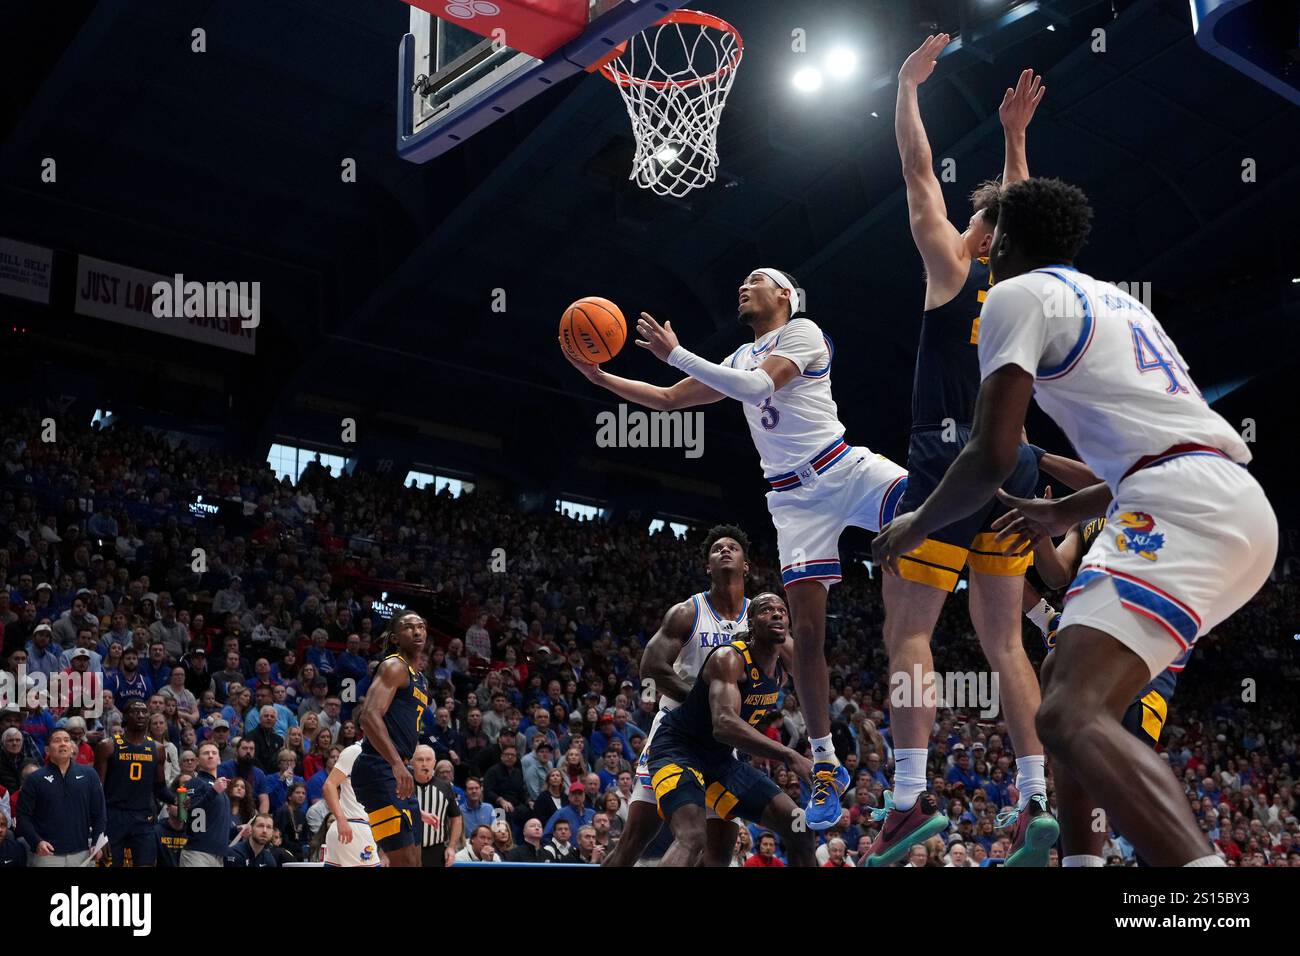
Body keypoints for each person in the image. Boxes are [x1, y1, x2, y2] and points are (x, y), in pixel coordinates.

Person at [873, 177, 1278, 867]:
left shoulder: (1011, 295)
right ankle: (1081, 861)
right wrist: (1063, 509)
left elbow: (991, 455)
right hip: (1219, 498)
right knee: (1060, 677)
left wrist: (914, 525)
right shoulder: (1114, 299)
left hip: (1179, 505)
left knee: (1067, 715)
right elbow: (1149, 443)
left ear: (999, 242)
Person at [565, 263, 913, 830]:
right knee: (805, 636)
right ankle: (825, 765)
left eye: (755, 279)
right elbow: (670, 399)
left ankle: (1037, 606)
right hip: (793, 503)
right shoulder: (736, 358)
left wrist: (678, 352)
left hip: (844, 468)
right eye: (741, 282)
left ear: (784, 294)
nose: (742, 286)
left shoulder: (803, 332)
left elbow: (756, 388)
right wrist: (601, 378)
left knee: (936, 515)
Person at [864, 35, 1054, 867]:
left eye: (975, 215)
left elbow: (915, 169)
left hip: (948, 468)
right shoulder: (1028, 288)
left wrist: (907, 88)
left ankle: (908, 800)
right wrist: (1014, 141)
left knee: (909, 634)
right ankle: (1035, 799)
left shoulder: (950, 263)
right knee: (1006, 643)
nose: (968, 217)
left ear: (978, 230)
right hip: (1012, 471)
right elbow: (1023, 207)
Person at [1020, 478, 1180, 868]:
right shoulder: (1086, 515)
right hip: (1084, 646)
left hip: (1140, 649)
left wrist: (1034, 454)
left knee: (1128, 776)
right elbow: (1057, 573)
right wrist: (1042, 536)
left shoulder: (1150, 492)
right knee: (1079, 769)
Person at [605, 526, 750, 867]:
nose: (725, 551)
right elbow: (651, 667)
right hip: (676, 730)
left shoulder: (758, 619)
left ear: (747, 566)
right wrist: (703, 702)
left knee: (720, 849)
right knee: (635, 839)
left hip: (725, 739)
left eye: (733, 547)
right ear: (707, 566)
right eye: (717, 549)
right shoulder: (687, 612)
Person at [645, 592, 815, 866]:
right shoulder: (729, 658)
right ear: (750, 623)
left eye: (782, 611)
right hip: (678, 750)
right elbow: (723, 725)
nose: (776, 614)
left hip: (720, 761)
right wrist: (791, 755)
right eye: (766, 610)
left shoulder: (781, 669)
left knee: (800, 828)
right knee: (693, 836)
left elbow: (815, 673)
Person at [351, 612, 429, 868]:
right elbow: (369, 716)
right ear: (395, 637)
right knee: (404, 862)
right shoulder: (394, 666)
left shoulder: (421, 678)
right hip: (379, 766)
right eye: (408, 627)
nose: (417, 632)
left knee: (414, 862)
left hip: (398, 768)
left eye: (421, 627)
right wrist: (396, 763)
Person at [93, 699, 172, 867]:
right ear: (125, 717)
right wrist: (99, 829)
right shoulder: (108, 746)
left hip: (143, 817)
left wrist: (179, 799)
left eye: (144, 712)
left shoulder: (157, 748)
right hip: (114, 816)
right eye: (135, 712)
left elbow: (160, 789)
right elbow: (97, 790)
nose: (141, 715)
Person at [16, 729, 107, 866]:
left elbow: (99, 813)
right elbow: (23, 816)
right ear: (47, 749)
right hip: (47, 855)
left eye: (66, 740)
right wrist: (36, 842)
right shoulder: (35, 779)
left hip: (83, 853)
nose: (63, 744)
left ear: (72, 746)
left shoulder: (89, 774)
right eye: (57, 741)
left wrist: (96, 842)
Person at [319, 740, 379, 867]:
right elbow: (329, 785)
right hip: (353, 826)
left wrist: (418, 812)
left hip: (353, 827)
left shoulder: (380, 752)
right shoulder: (355, 751)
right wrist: (341, 820)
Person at [179, 741, 233, 867]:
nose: (210, 755)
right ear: (197, 761)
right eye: (206, 753)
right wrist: (213, 792)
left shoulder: (220, 788)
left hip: (218, 855)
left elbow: (215, 822)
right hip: (197, 852)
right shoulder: (194, 783)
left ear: (219, 759)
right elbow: (186, 814)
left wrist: (236, 830)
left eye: (214, 753)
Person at [412, 744, 461, 868]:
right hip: (406, 850)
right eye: (420, 759)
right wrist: (385, 852)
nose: (424, 764)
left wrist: (451, 847)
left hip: (435, 851)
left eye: (428, 760)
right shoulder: (403, 785)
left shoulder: (445, 787)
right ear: (412, 762)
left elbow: (456, 818)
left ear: (434, 763)